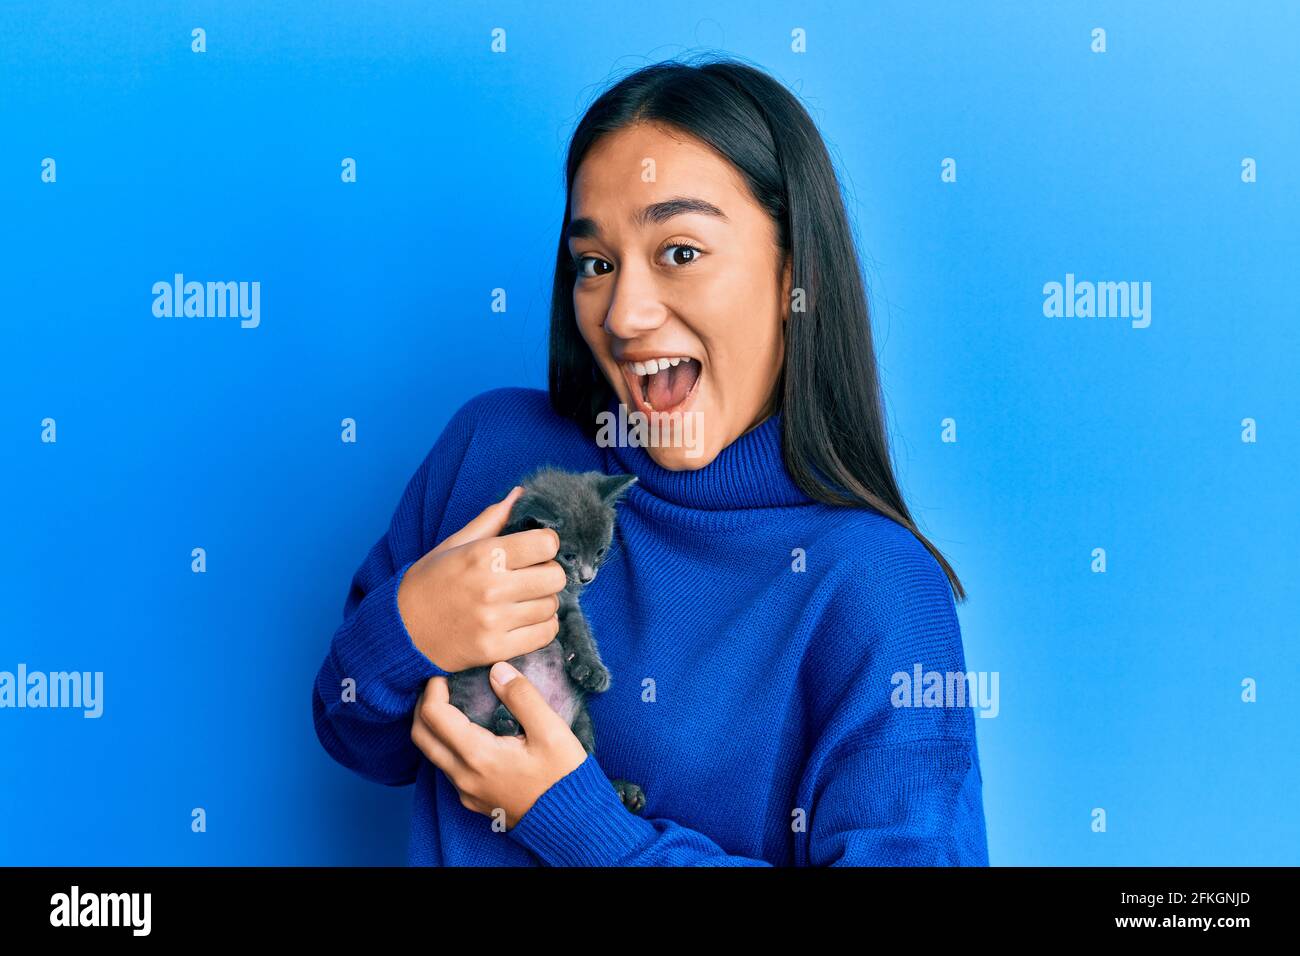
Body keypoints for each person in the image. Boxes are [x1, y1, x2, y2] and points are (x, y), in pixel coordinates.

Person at [311, 55, 990, 866]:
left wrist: (579, 824)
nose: (625, 315)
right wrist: (406, 629)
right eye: (595, 264)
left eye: (680, 252)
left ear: (792, 277)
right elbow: (355, 735)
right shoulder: (494, 450)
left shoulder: (876, 586)